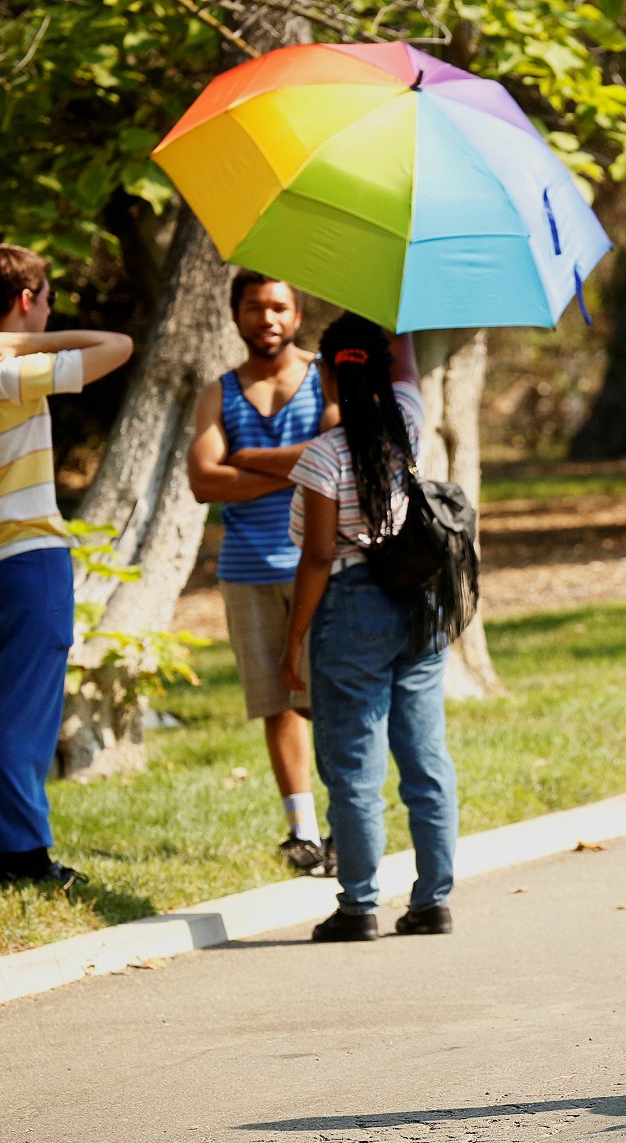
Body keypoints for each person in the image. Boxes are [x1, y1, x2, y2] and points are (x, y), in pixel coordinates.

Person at [0, 245, 132, 885]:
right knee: (27, 714)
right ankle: (26, 861)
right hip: (34, 560)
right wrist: (17, 345)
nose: (48, 311)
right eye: (45, 299)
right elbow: (118, 344)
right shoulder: (15, 373)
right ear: (25, 300)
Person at [280, 314, 459, 943]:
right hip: (416, 605)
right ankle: (433, 901)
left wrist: (293, 639)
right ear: (383, 372)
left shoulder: (322, 457)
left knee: (354, 766)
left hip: (351, 609)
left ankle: (359, 906)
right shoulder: (407, 425)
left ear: (327, 372)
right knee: (425, 756)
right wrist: (400, 312)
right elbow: (406, 371)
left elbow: (319, 555)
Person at [185, 271, 338, 878]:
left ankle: (348, 822)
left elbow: (336, 450)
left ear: (297, 316)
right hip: (247, 570)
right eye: (254, 307)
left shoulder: (326, 376)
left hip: (321, 561)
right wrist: (298, 467)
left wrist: (242, 461)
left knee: (333, 698)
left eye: (279, 307)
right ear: (235, 315)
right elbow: (202, 481)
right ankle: (302, 831)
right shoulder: (217, 393)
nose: (266, 318)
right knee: (278, 702)